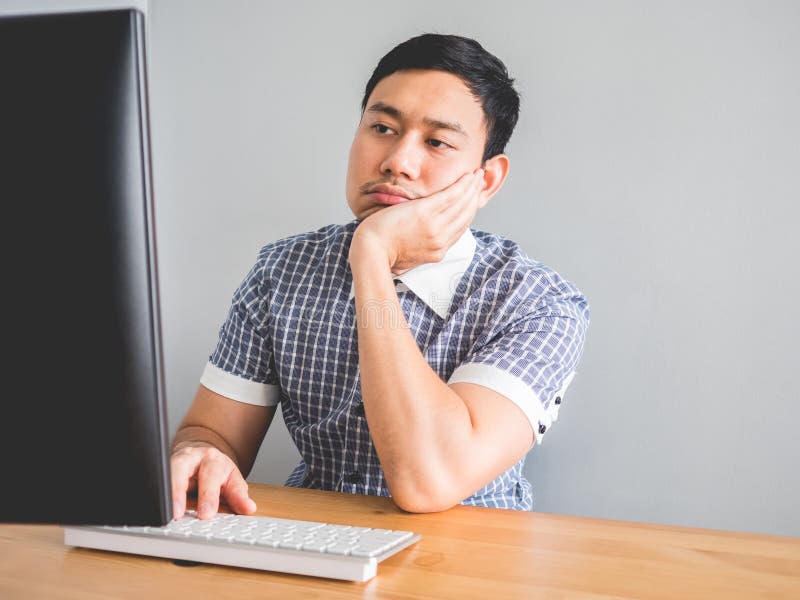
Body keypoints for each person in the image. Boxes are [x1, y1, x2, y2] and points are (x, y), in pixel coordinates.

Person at [170, 33, 590, 520]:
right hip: (314, 538)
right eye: (383, 128)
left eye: (437, 142)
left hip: (470, 555)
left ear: (486, 180)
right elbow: (213, 433)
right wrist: (200, 454)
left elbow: (429, 482)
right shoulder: (282, 270)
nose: (397, 162)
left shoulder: (538, 304)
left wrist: (371, 257)